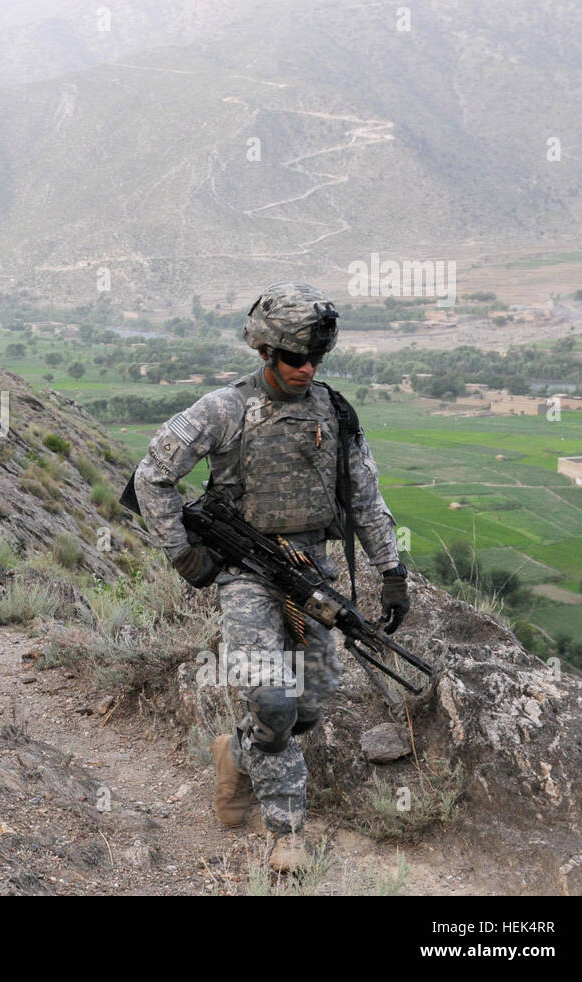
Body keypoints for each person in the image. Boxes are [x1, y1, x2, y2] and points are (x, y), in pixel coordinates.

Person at [131, 282, 409, 872]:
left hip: (312, 571)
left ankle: (237, 753)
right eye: (294, 358)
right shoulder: (223, 410)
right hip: (246, 574)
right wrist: (184, 555)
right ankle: (287, 832)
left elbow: (365, 499)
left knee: (309, 705)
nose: (307, 369)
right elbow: (150, 477)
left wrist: (392, 572)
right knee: (275, 698)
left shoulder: (334, 413)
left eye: (316, 359)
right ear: (264, 352)